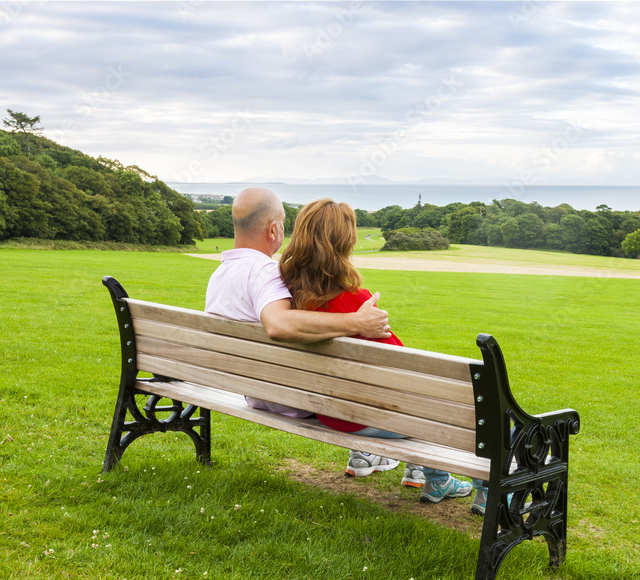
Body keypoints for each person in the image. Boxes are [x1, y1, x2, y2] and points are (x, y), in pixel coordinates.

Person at [278, 198, 483, 508]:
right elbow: (400, 362)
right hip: (361, 416)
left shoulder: (286, 300)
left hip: (327, 410)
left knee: (427, 407)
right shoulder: (354, 302)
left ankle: (439, 480)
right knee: (461, 412)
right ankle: (489, 490)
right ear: (346, 241)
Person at [204, 187, 400, 473]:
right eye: (283, 223)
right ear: (273, 231)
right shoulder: (265, 273)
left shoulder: (221, 273)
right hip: (290, 399)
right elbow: (279, 325)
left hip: (251, 389)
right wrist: (356, 322)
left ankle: (368, 454)